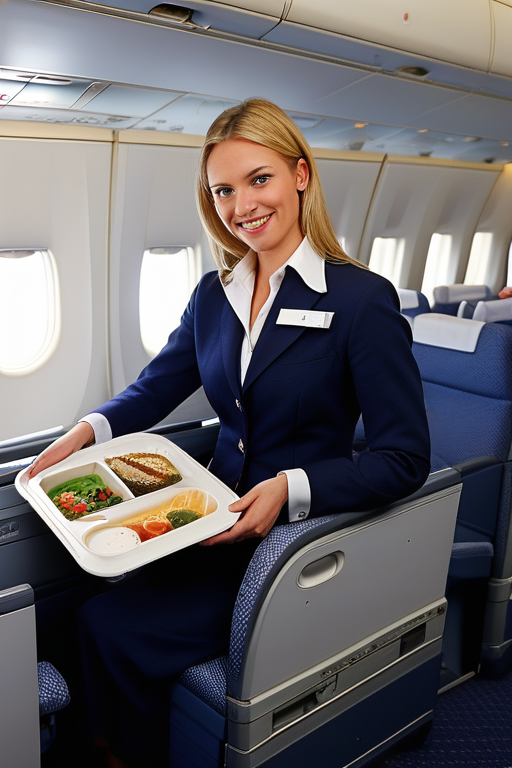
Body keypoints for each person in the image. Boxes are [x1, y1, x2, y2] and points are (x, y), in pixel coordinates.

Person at [28, 99, 431, 768]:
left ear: (300, 175)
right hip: (207, 521)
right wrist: (86, 431)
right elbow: (156, 387)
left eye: (259, 179)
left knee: (108, 628)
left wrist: (290, 488)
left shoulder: (360, 299)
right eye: (223, 189)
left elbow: (403, 456)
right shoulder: (213, 295)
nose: (241, 204)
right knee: (82, 608)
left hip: (286, 546)